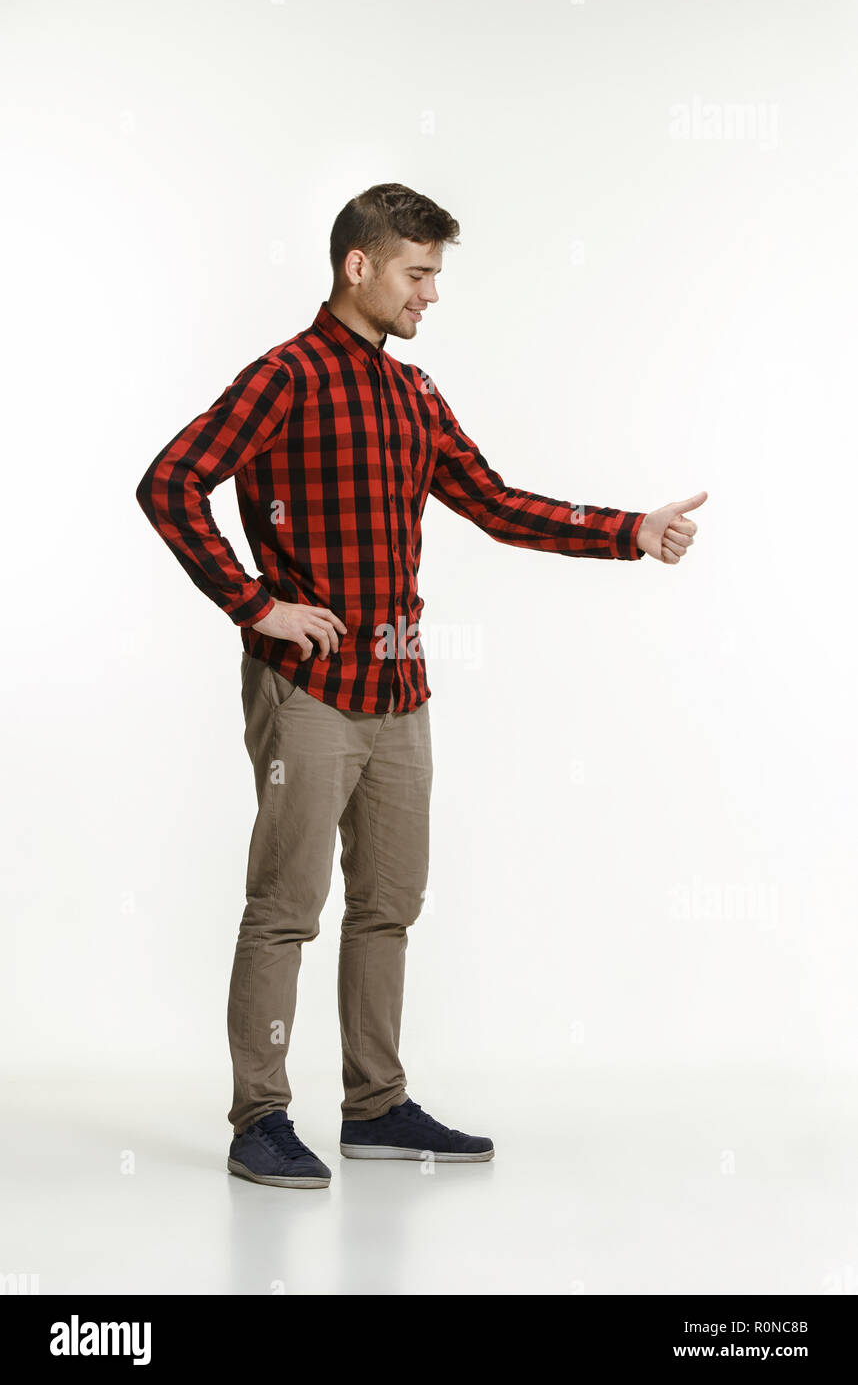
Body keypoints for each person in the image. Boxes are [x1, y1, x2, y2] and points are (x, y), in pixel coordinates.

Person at [136, 182, 706, 1190]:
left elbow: (494, 502)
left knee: (389, 904)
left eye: (436, 273)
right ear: (358, 265)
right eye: (418, 272)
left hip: (401, 688)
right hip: (308, 687)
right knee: (286, 906)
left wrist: (629, 530)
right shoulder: (284, 377)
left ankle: (376, 1103)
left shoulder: (414, 393)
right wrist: (253, 603)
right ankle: (258, 1116)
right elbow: (171, 479)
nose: (431, 294)